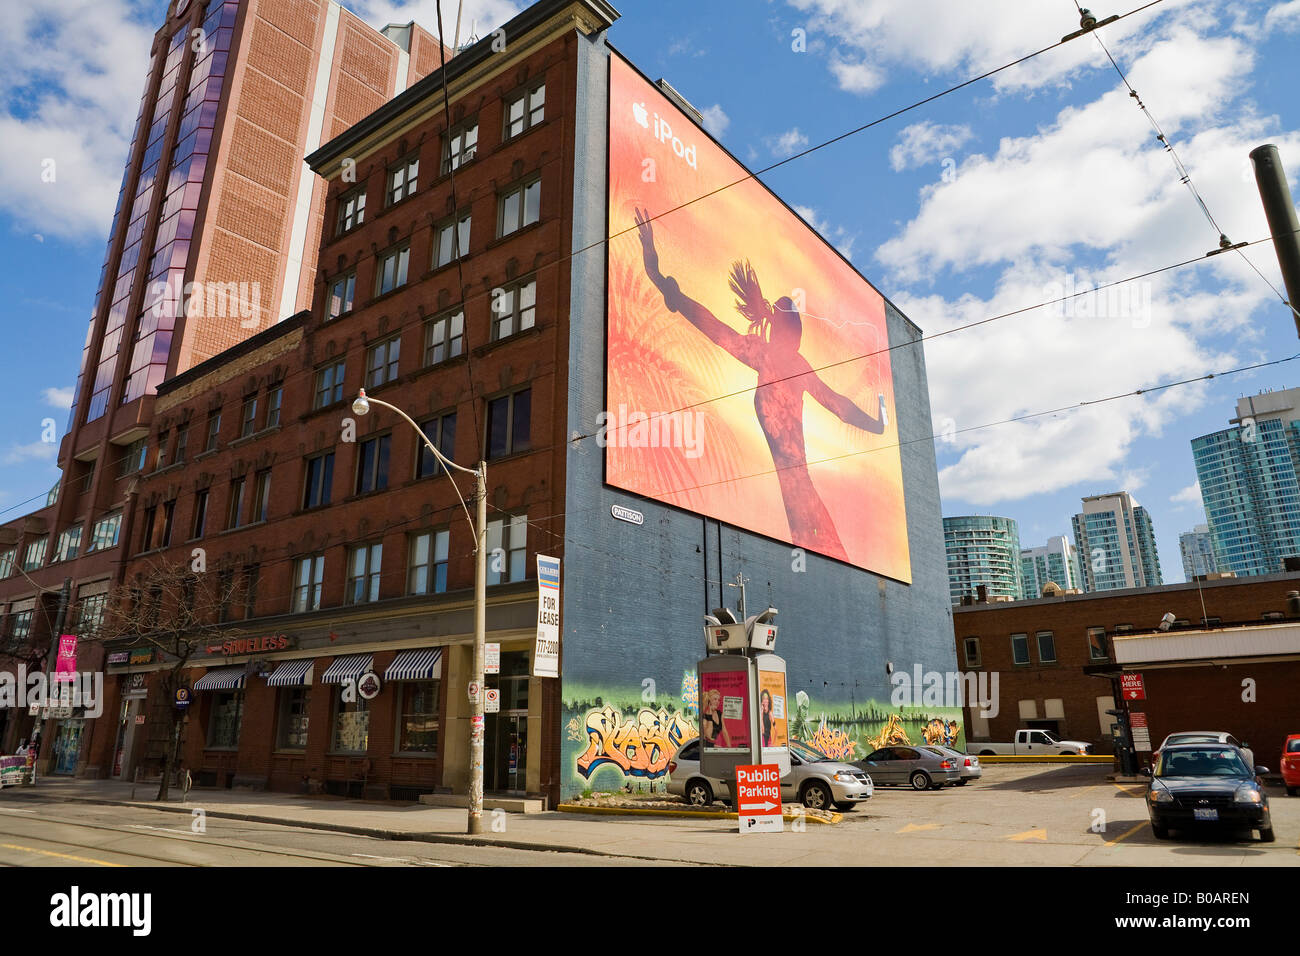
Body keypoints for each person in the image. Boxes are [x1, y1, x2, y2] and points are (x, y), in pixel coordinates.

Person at [634, 207, 888, 561]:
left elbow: (839, 405)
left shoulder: (776, 358)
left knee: (818, 549)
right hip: (798, 491)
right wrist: (662, 281)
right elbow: (839, 405)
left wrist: (664, 282)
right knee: (821, 552)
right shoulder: (777, 358)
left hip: (799, 493)